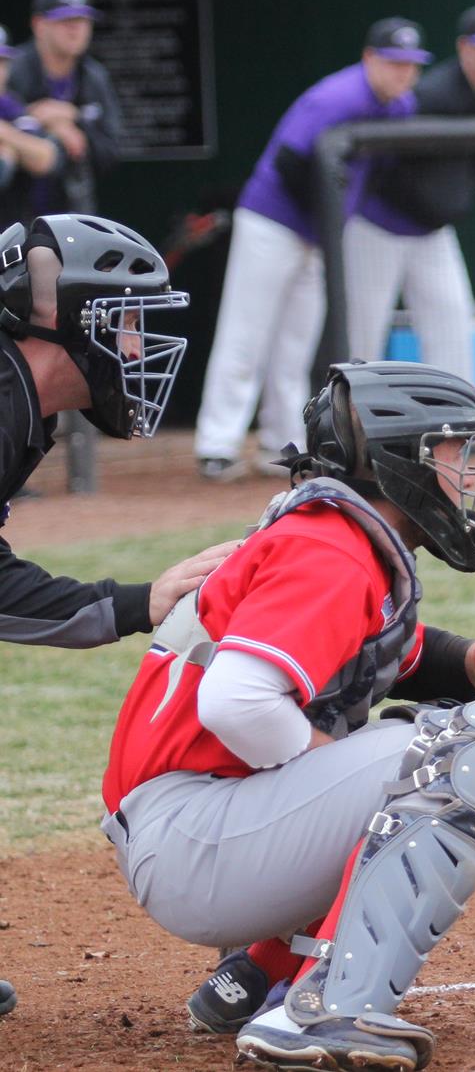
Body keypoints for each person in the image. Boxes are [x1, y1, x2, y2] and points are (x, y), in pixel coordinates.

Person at [103, 359, 475, 1069]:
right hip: (193, 836)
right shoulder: (328, 546)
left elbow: (401, 655)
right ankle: (328, 1011)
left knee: (409, 737)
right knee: (462, 750)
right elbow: (233, 700)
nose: (465, 476)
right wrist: (324, 749)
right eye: (453, 454)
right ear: (401, 460)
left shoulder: (335, 536)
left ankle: (259, 974)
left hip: (196, 828)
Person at [0, 212, 241, 1019]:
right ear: (67, 319)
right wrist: (135, 602)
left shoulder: (21, 405)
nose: (137, 346)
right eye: (127, 320)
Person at [192, 18, 429, 483]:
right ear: (369, 59)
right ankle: (216, 444)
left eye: (411, 65)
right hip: (272, 224)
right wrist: (324, 217)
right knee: (247, 333)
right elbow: (288, 163)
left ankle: (280, 445)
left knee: (296, 345)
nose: (403, 73)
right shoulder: (336, 96)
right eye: (394, 62)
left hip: (319, 236)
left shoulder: (402, 107)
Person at [346, 3, 475, 386]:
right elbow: (381, 161)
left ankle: (455, 432)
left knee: (452, 326)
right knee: (361, 339)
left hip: (432, 232)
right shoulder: (429, 93)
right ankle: (345, 434)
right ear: (464, 48)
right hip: (380, 227)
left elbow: (473, 165)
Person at [8, 0, 124, 211]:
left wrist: (74, 119)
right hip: (11, 208)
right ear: (39, 25)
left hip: (72, 211)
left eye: (82, 21)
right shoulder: (10, 69)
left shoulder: (94, 76)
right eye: (65, 20)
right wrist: (37, 121)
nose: (76, 29)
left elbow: (110, 153)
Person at [0, 27, 66, 229]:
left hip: (11, 236)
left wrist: (6, 135)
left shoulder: (9, 106)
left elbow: (46, 158)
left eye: (2, 63)